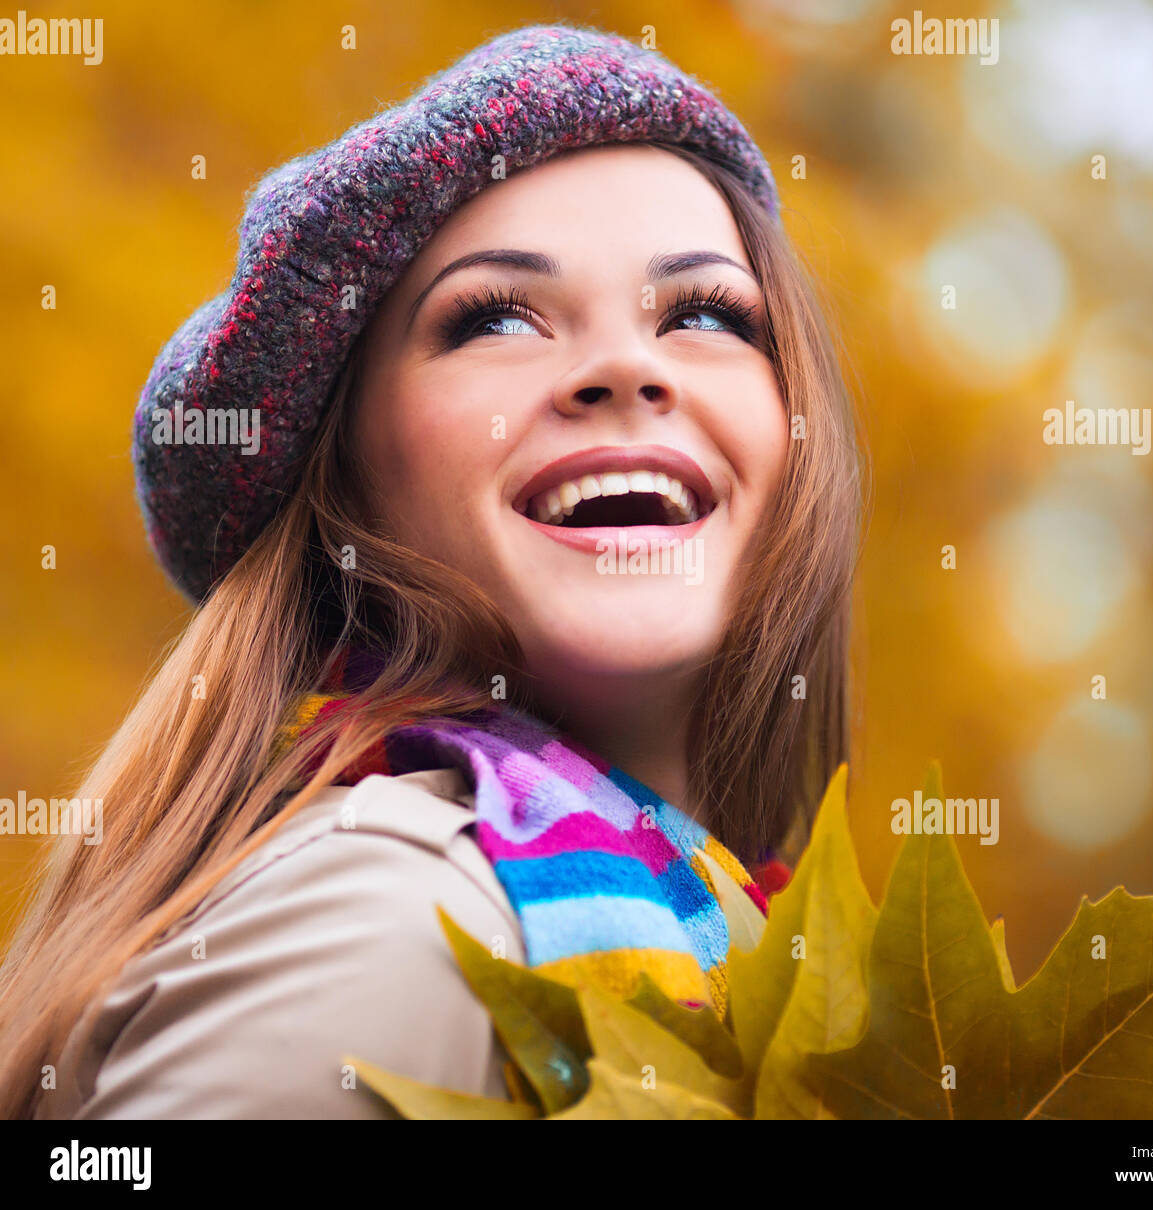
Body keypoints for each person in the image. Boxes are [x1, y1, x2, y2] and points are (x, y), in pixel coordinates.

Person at [0, 21, 864, 1119]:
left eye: (702, 313)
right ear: (348, 477)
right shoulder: (396, 920)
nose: (624, 366)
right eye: (495, 316)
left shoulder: (728, 926)